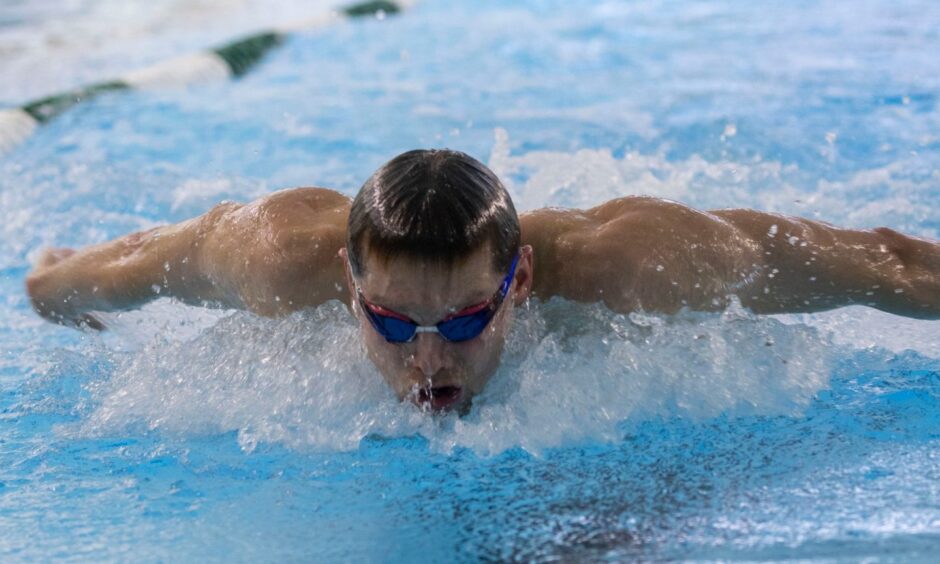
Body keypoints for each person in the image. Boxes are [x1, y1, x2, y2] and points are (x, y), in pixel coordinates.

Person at [25, 149, 940, 411]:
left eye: (466, 322)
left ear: (522, 281)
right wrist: (52, 293)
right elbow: (122, 266)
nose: (430, 360)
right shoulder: (270, 259)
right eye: (391, 322)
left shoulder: (640, 267)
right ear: (348, 284)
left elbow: (885, 262)